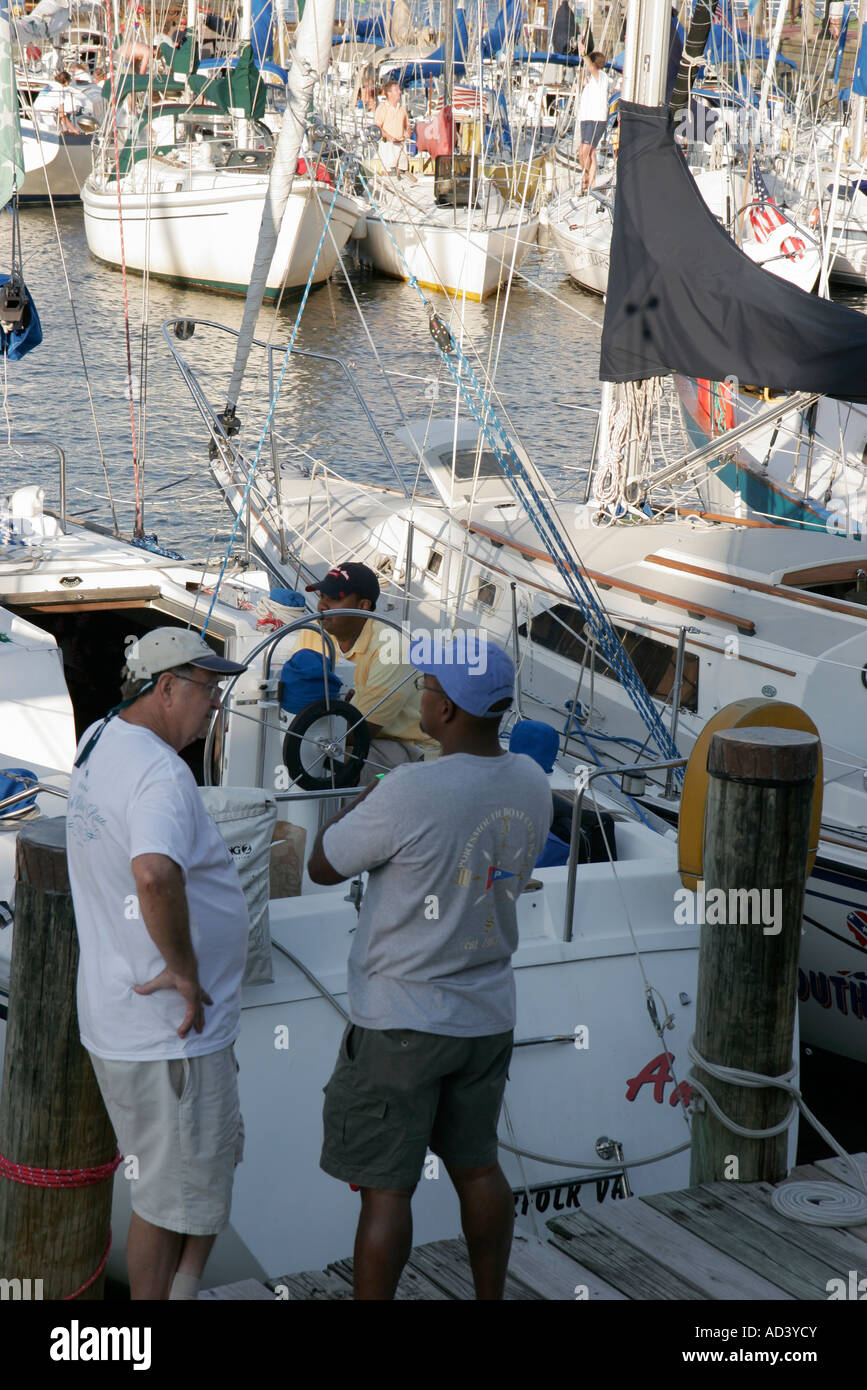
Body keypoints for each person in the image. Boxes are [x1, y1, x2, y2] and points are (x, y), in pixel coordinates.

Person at [307, 639, 553, 1300]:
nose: (420, 693)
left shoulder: (410, 789)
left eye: (426, 685)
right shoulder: (531, 779)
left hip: (400, 1022)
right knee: (478, 1169)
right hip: (485, 1013)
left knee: (386, 1190)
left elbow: (322, 865)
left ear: (444, 708)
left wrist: (362, 804)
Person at [66, 627, 250, 1301]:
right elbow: (152, 873)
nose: (216, 706)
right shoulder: (160, 773)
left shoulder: (101, 737)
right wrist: (182, 969)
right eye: (207, 690)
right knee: (166, 1200)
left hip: (134, 1023)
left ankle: (180, 1295)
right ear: (167, 687)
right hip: (168, 1034)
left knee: (196, 1174)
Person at [305, 562, 438, 782]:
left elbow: (359, 732)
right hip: (334, 734)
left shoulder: (393, 647)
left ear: (363, 605)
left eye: (333, 598)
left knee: (331, 763)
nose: (322, 605)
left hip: (410, 750)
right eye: (321, 596)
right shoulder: (315, 631)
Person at [576, 41, 609, 192]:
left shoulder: (601, 76)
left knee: (585, 152)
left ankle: (588, 180)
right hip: (587, 119)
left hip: (596, 119)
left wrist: (583, 54)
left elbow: (590, 66)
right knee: (585, 151)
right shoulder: (593, 80)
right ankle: (589, 180)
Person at [374, 78, 412, 173]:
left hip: (401, 144)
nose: (400, 91)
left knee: (402, 170)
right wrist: (389, 137)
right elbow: (377, 127)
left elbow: (407, 124)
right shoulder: (382, 108)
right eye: (397, 90)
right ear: (389, 93)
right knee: (387, 171)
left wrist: (407, 134)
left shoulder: (402, 109)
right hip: (388, 144)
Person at [33, 70, 81, 135]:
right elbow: (62, 114)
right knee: (55, 132)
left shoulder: (51, 85)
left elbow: (59, 113)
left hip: (35, 109)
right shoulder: (60, 90)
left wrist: (64, 127)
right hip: (46, 113)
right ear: (66, 82)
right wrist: (74, 129)